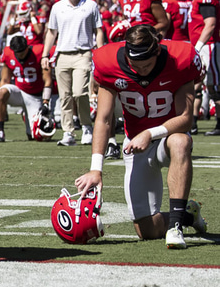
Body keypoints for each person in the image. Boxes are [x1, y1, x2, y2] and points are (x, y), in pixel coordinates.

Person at [75, 24, 206, 249]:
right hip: (135, 143)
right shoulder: (109, 62)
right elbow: (104, 119)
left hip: (166, 137)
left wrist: (150, 133)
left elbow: (185, 118)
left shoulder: (180, 58)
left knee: (181, 141)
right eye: (136, 65)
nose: (142, 71)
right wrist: (96, 168)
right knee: (147, 230)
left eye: (147, 65)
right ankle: (188, 215)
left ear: (157, 51)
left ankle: (175, 227)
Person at [42, 0, 105, 146]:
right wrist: (45, 54)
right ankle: (68, 132)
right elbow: (51, 32)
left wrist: (99, 52)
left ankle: (86, 127)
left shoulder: (90, 5)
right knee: (65, 96)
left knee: (80, 92)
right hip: (62, 54)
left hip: (83, 53)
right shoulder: (57, 7)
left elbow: (98, 30)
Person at [0, 36, 54, 142]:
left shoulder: (39, 51)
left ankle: (27, 115)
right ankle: (0, 131)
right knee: (1, 92)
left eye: (22, 51)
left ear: (27, 47)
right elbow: (5, 79)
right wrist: (2, 103)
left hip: (35, 96)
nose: (20, 55)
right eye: (17, 52)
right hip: (19, 92)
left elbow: (48, 80)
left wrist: (45, 102)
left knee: (37, 136)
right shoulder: (8, 53)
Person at [186, 0, 220, 135]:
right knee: (198, 84)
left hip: (209, 45)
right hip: (206, 45)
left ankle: (219, 124)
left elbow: (210, 24)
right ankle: (192, 123)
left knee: (215, 86)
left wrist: (199, 46)